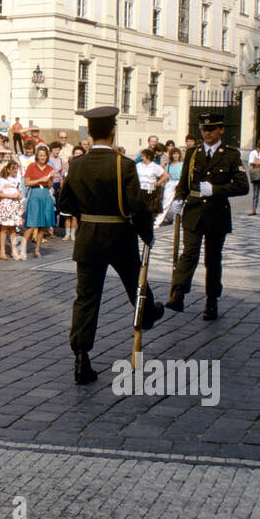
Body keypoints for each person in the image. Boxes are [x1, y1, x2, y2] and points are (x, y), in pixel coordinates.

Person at [58, 107, 165, 384]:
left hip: (89, 237)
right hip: (119, 235)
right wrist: (147, 234)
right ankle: (148, 313)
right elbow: (136, 207)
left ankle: (81, 356)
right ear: (113, 131)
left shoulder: (77, 164)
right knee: (135, 283)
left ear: (90, 133)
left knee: (86, 298)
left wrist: (86, 214)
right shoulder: (124, 164)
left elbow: (65, 204)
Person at [166, 113, 249, 320]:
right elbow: (185, 181)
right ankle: (178, 293)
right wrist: (178, 199)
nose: (207, 133)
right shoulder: (193, 153)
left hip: (216, 212)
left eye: (211, 130)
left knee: (212, 259)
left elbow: (242, 186)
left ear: (221, 130)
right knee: (189, 253)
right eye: (204, 130)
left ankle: (211, 300)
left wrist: (216, 190)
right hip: (193, 211)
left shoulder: (230, 155)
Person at [22, 145, 57, 259]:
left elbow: (50, 185)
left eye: (44, 155)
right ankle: (22, 248)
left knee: (42, 225)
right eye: (40, 155)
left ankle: (37, 249)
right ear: (37, 156)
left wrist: (50, 179)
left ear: (47, 156)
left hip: (45, 195)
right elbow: (27, 183)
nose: (42, 157)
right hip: (35, 195)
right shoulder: (32, 166)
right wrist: (40, 180)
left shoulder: (49, 168)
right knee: (31, 224)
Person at [0, 158, 23, 259]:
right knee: (4, 229)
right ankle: (2, 251)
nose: (15, 171)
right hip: (6, 205)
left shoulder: (17, 180)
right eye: (13, 169)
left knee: (13, 230)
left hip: (14, 206)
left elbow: (19, 191)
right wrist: (10, 196)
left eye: (16, 169)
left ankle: (14, 251)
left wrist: (19, 195)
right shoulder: (3, 180)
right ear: (7, 170)